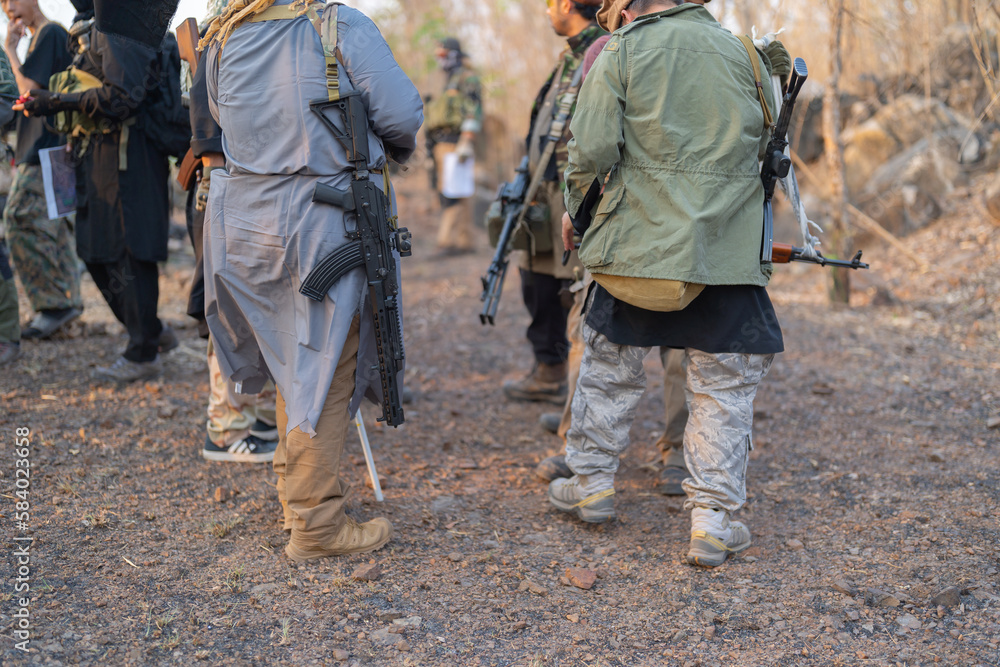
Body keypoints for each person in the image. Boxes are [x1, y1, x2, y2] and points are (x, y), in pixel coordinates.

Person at [549, 0, 784, 569]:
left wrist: (574, 211)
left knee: (607, 370)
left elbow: (593, 148)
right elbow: (768, 152)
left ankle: (594, 485)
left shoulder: (622, 51)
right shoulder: (747, 57)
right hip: (723, 250)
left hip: (635, 245)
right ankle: (712, 521)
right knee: (722, 389)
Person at [199, 0, 422, 560]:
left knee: (289, 360)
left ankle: (297, 499)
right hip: (319, 220)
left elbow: (223, 121)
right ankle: (317, 525)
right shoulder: (337, 24)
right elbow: (401, 115)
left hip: (246, 221)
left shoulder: (223, 35)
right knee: (325, 365)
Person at [16, 0, 178, 382]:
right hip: (96, 155)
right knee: (94, 249)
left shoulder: (122, 25)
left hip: (129, 157)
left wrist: (55, 102)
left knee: (129, 253)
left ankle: (142, 351)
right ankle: (151, 332)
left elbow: (122, 99)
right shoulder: (89, 27)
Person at [180, 0, 279, 463]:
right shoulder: (227, 29)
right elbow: (208, 136)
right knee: (230, 311)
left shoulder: (242, 25)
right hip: (224, 189)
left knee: (254, 306)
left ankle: (255, 414)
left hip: (239, 191)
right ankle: (224, 429)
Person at [501, 0, 606, 407]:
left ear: (566, 4)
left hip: (575, 190)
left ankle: (578, 398)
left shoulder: (601, 51)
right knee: (537, 282)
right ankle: (549, 372)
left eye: (549, 5)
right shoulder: (572, 55)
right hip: (543, 192)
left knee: (574, 290)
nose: (547, 13)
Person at [1, 0, 81, 340]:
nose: (7, 8)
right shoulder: (47, 36)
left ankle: (54, 305)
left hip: (44, 150)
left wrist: (9, 50)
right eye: (2, 3)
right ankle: (66, 302)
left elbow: (28, 93)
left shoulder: (48, 34)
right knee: (54, 228)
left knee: (18, 219)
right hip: (53, 150)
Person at [425, 36, 482, 257]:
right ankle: (464, 240)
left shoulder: (467, 78)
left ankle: (447, 241)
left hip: (456, 143)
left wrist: (466, 140)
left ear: (454, 54)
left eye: (443, 54)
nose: (440, 60)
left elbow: (474, 109)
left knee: (454, 192)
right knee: (454, 190)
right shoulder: (445, 80)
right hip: (440, 145)